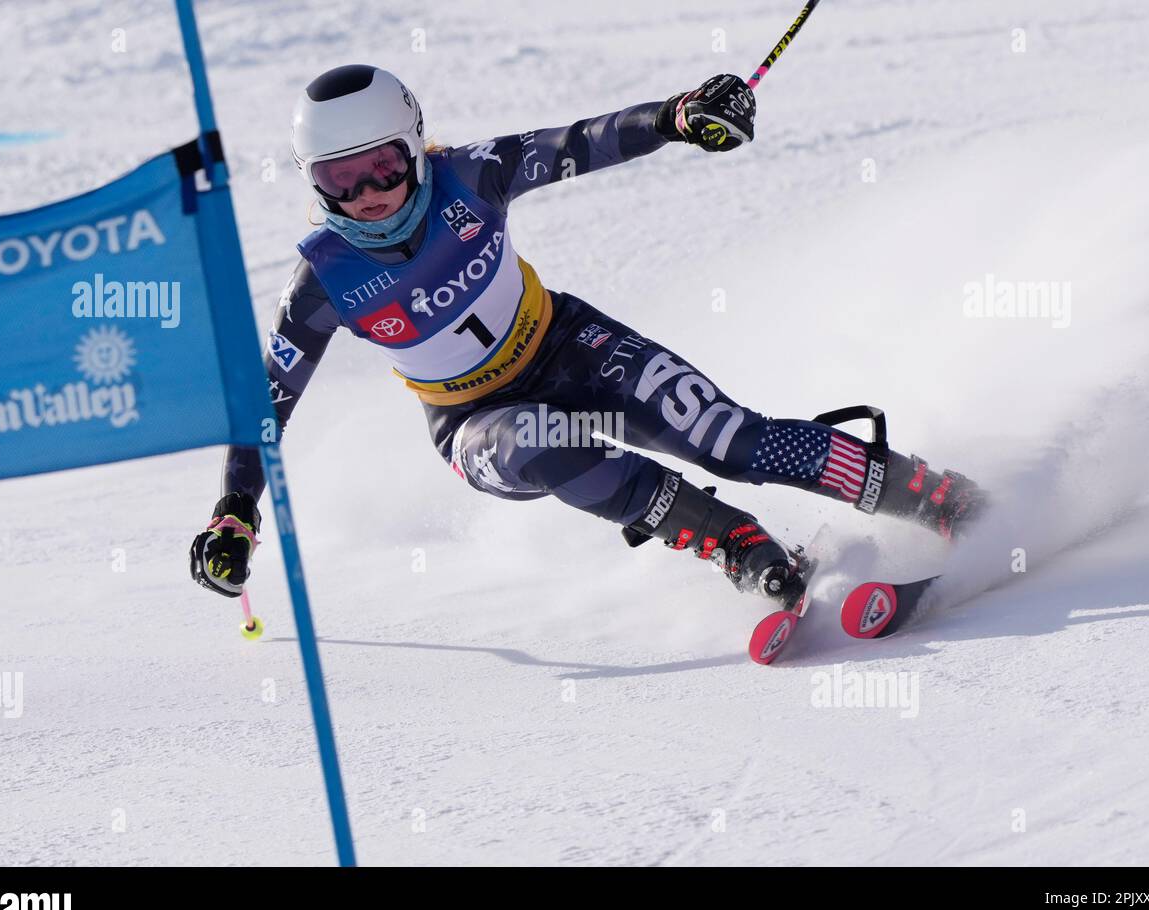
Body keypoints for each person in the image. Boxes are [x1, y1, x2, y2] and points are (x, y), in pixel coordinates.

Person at [190, 64, 982, 613]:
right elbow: (268, 401)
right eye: (338, 179)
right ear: (311, 180)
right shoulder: (322, 279)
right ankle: (736, 543)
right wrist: (236, 513)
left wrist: (676, 116)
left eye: (384, 168)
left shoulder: (472, 175)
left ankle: (927, 494)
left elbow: (579, 142)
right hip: (473, 424)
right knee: (542, 441)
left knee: (727, 437)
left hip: (567, 344)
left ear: (415, 144)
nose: (366, 194)